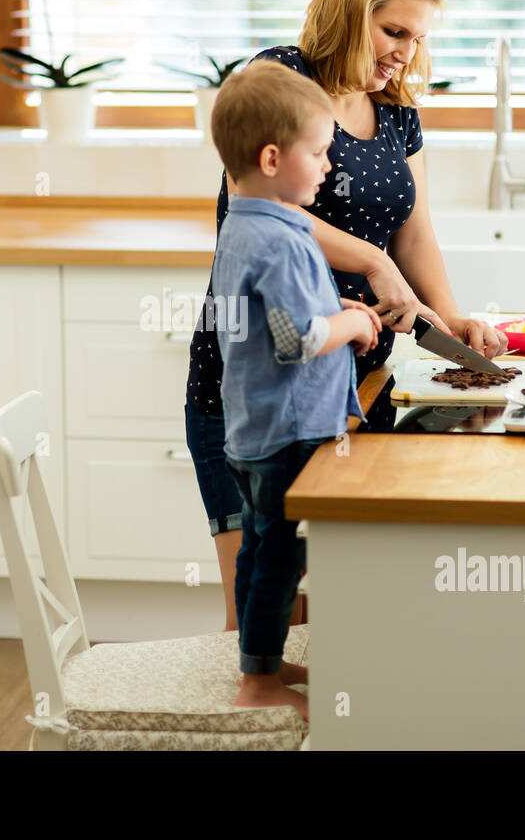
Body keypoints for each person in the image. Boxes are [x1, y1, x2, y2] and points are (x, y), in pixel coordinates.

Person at [185, 0, 510, 631]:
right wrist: (370, 259)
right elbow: (254, 213)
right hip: (253, 393)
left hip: (346, 392)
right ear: (350, 6)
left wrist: (451, 320)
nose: (403, 52)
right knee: (265, 612)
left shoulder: (397, 114)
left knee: (329, 611)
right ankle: (250, 729)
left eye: (416, 37)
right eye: (393, 30)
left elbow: (415, 237)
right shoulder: (280, 79)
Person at [208, 60, 382, 719]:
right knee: (282, 561)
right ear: (274, 157)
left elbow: (267, 317)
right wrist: (354, 320)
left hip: (252, 431)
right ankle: (258, 687)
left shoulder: (246, 227)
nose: (329, 167)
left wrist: (332, 305)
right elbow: (296, 339)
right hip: (289, 436)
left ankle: (263, 661)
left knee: (259, 549)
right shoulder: (279, 242)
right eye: (319, 153)